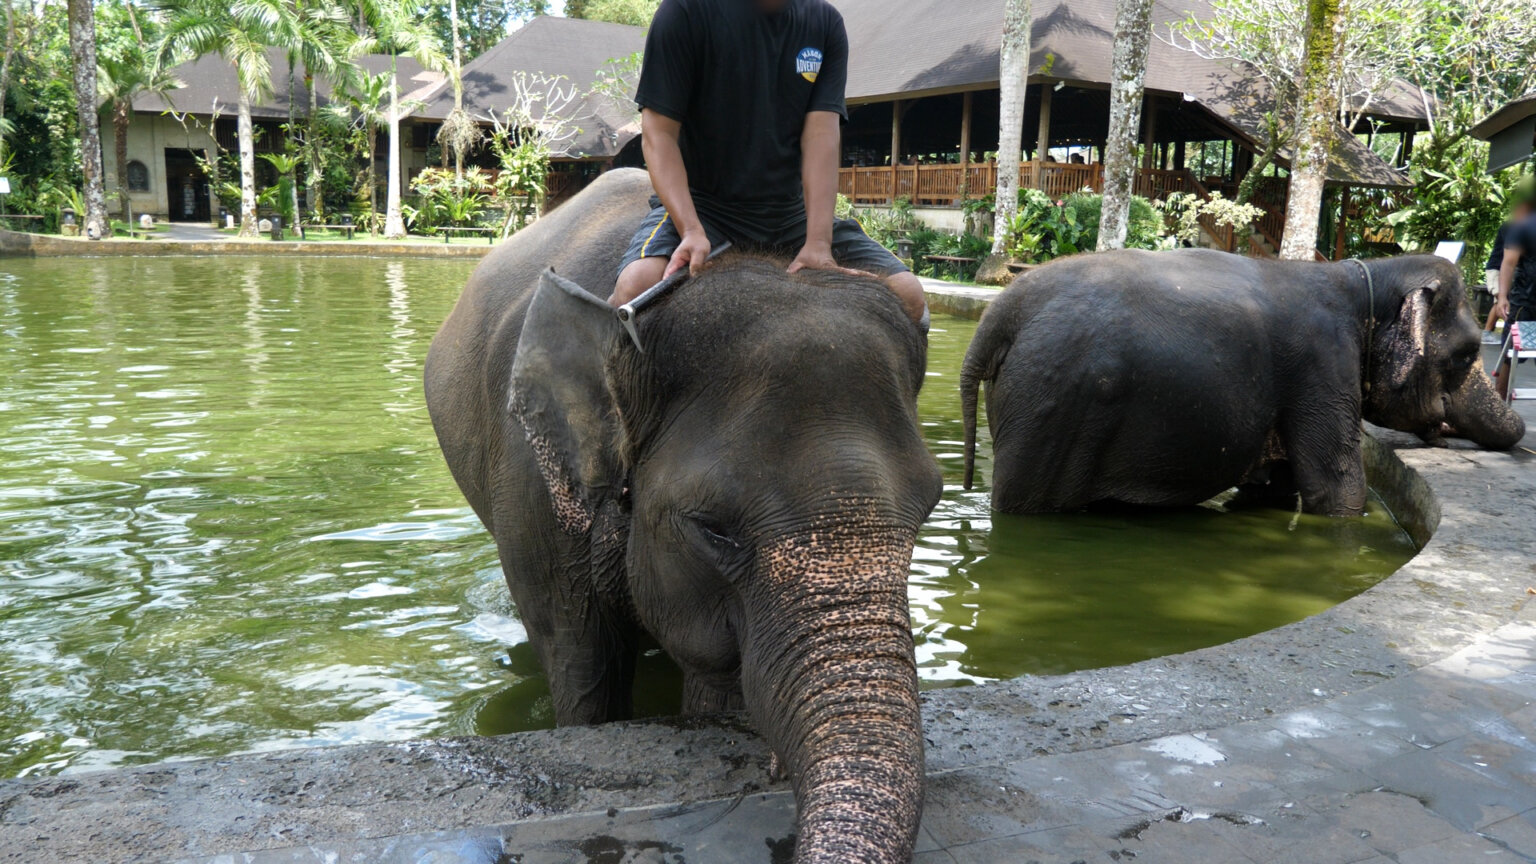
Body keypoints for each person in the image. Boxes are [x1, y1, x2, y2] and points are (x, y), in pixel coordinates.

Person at [612, 0, 927, 323]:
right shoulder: (685, 12)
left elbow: (821, 136)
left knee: (907, 294)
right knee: (635, 286)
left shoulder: (824, 23)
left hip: (790, 217)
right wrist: (691, 229)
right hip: (705, 209)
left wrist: (818, 242)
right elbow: (658, 135)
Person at [1493, 190, 1536, 398]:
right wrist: (1502, 296)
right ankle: (1497, 402)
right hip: (1525, 301)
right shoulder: (1524, 226)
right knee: (1510, 353)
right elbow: (1508, 263)